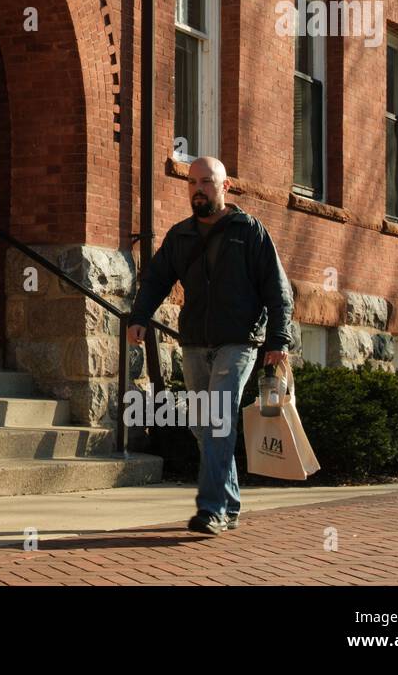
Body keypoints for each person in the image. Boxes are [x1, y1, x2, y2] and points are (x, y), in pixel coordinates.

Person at [126, 156, 294, 535]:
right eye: (192, 183)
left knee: (217, 420)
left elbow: (277, 290)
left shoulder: (250, 232)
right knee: (204, 425)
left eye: (206, 182)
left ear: (225, 186)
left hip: (238, 342)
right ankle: (230, 503)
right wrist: (139, 317)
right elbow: (156, 279)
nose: (198, 189)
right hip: (195, 343)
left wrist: (278, 339)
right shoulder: (181, 235)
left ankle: (212, 509)